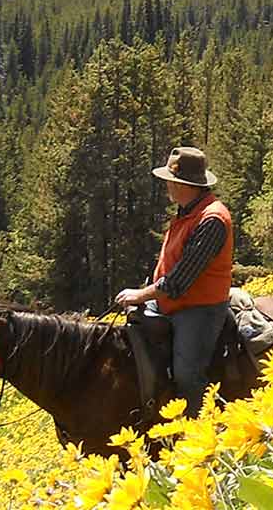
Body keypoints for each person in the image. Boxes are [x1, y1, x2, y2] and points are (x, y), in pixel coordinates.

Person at [114, 146, 234, 417]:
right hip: (168, 302)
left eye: (171, 180)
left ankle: (199, 433)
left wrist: (141, 294)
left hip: (198, 309)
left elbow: (180, 281)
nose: (167, 185)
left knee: (187, 373)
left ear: (186, 185)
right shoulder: (186, 211)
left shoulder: (212, 219)